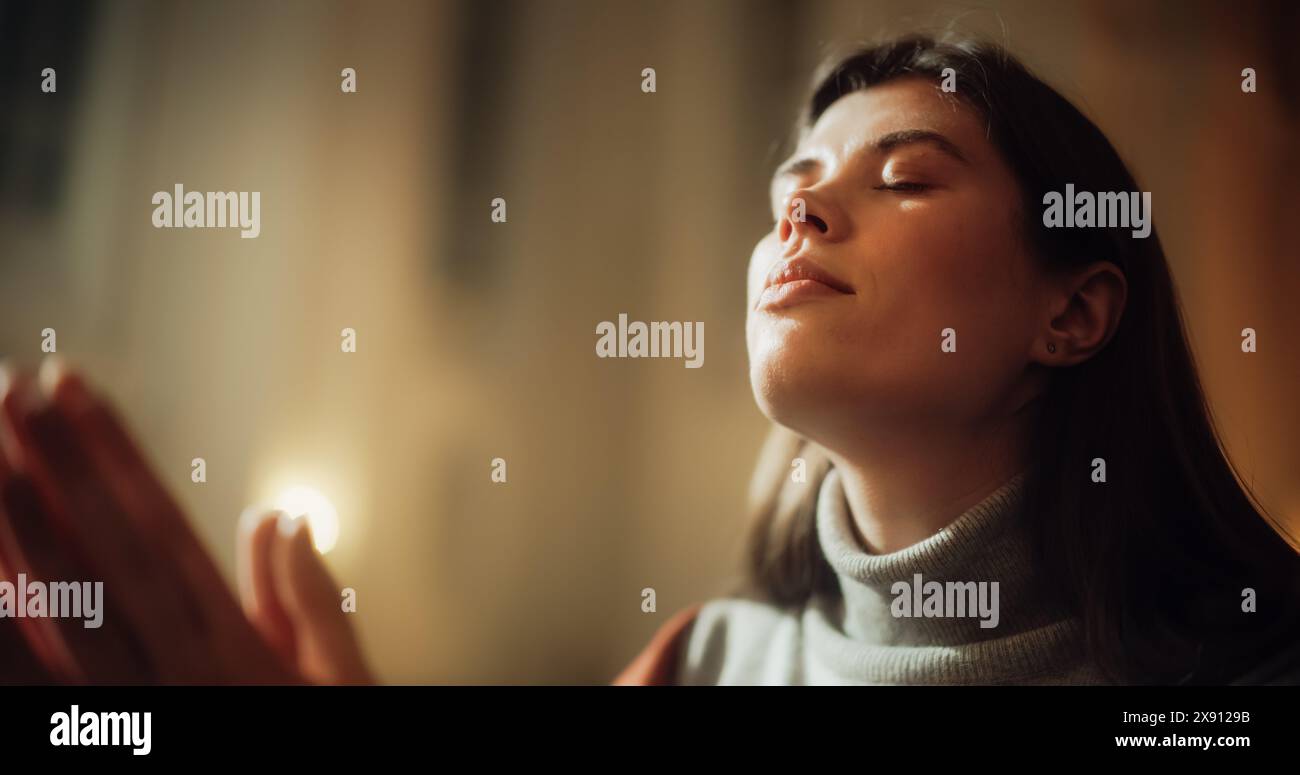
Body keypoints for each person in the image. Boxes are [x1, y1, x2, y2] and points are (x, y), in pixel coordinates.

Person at [2, 35, 1297, 686]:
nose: (800, 214)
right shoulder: (700, 666)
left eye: (904, 178)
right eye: (790, 187)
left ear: (1071, 315)